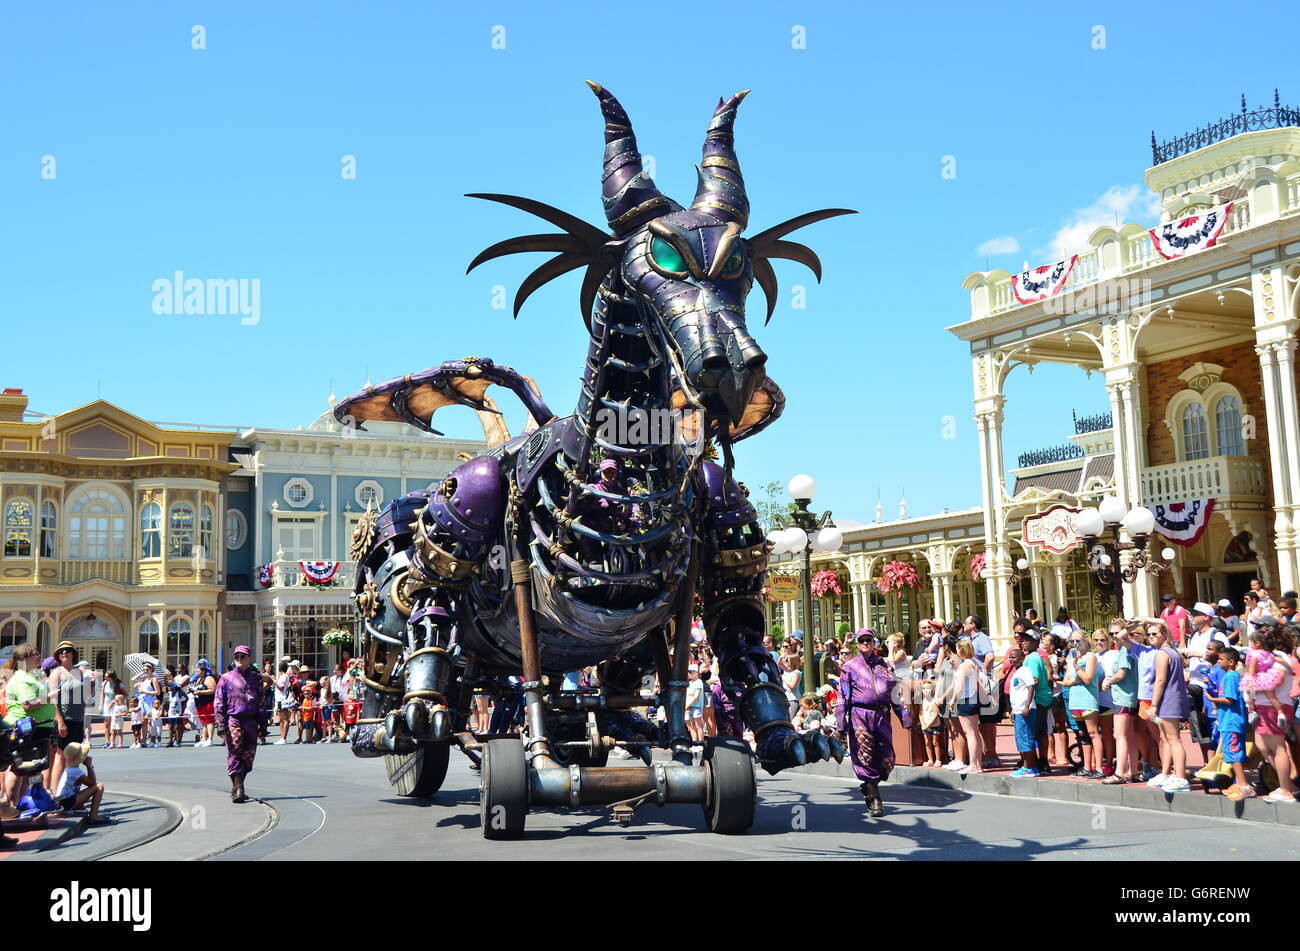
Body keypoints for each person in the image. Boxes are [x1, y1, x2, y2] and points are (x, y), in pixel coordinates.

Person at [836, 629, 911, 817]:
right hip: (859, 714)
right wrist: (840, 722)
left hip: (882, 716)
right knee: (865, 754)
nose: (865, 643)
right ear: (857, 643)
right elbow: (843, 696)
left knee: (888, 759)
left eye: (868, 639)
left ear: (874, 642)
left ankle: (870, 786)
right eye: (861, 640)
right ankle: (875, 798)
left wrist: (904, 716)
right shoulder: (849, 667)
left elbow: (895, 693)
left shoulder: (885, 665)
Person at [213, 646, 265, 803]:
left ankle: (237, 786)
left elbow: (262, 701)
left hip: (251, 720)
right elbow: (218, 701)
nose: (240, 659)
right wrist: (220, 723)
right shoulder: (226, 678)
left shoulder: (257, 678)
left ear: (249, 658)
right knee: (235, 750)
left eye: (243, 656)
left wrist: (263, 724)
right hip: (233, 719)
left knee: (248, 755)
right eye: (237, 656)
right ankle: (239, 788)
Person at [1145, 620, 1190, 792]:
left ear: (1164, 634)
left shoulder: (1163, 653)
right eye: (1149, 635)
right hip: (1171, 699)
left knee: (1174, 739)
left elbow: (1161, 680)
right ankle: (1166, 774)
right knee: (1168, 739)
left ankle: (1180, 778)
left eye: (1154, 634)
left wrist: (1154, 705)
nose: (1150, 637)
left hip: (1168, 700)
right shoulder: (1171, 652)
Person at [1207, 648, 1253, 801]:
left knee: (1234, 752)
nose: (1218, 661)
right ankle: (1240, 783)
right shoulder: (1229, 676)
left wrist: (1212, 699)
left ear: (1231, 662)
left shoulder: (1231, 676)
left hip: (1232, 721)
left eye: (1221, 659)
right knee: (1230, 753)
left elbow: (1230, 699)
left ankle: (1244, 785)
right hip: (1228, 722)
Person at [47, 641, 87, 797]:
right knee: (61, 756)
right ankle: (57, 793)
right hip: (64, 719)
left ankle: (68, 791)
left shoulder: (79, 672)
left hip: (77, 719)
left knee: (74, 757)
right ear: (57, 656)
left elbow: (85, 698)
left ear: (73, 654)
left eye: (68, 651)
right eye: (61, 651)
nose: (64, 653)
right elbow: (53, 700)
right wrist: (60, 721)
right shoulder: (57, 672)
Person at [1099, 623, 1137, 783]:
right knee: (1128, 736)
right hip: (1127, 697)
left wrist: (1109, 681)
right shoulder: (1125, 650)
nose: (1114, 636)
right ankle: (1132, 771)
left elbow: (1121, 674)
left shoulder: (1124, 651)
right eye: (1111, 633)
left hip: (1124, 697)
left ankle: (1120, 772)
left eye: (1117, 632)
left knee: (1119, 735)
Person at [1062, 630, 1101, 778]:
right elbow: (1065, 681)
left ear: (1086, 641)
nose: (1075, 644)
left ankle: (1099, 768)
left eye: (1078, 641)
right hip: (1075, 700)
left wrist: (1077, 667)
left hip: (1087, 700)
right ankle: (1086, 766)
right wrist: (1073, 680)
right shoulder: (1072, 658)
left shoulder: (1091, 657)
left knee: (1093, 733)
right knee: (1082, 734)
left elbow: (1088, 679)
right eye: (1072, 641)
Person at [52, 741, 111, 825]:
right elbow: (92, 783)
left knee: (86, 791)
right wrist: (89, 766)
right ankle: (93, 816)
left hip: (62, 800)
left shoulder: (69, 769)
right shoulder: (75, 771)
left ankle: (83, 810)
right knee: (99, 786)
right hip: (67, 802)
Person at [1007, 648, 1039, 776]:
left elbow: (1031, 686)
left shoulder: (1024, 671)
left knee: (1026, 738)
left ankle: (1027, 767)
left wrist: (1027, 705)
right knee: (1021, 739)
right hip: (1018, 710)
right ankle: (1030, 766)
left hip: (1025, 710)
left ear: (1021, 658)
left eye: (1014, 657)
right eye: (1010, 657)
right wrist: (1013, 710)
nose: (1011, 659)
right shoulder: (1017, 672)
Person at [191, 659, 218, 747]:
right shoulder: (199, 679)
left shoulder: (209, 678)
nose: (197, 673)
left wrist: (200, 692)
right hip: (200, 702)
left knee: (209, 720)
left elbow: (212, 690)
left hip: (208, 702)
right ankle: (203, 739)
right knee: (203, 721)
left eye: (198, 671)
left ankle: (209, 739)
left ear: (203, 671)